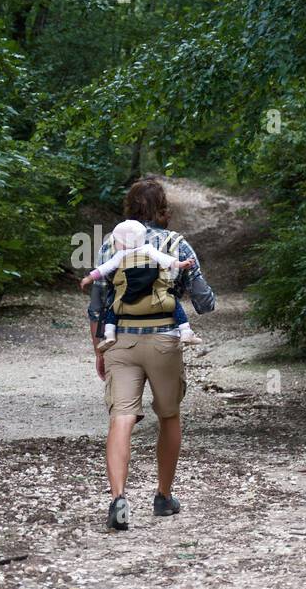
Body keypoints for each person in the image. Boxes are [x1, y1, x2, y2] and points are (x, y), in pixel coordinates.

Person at [87, 179, 215, 531]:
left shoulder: (110, 247)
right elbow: (205, 302)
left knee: (121, 418)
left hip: (120, 341)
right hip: (164, 341)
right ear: (163, 208)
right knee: (169, 415)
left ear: (129, 208)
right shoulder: (177, 244)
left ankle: (118, 498)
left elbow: (96, 306)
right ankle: (163, 496)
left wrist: (99, 349)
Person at [79, 218, 200, 347]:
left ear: (123, 243)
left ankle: (109, 333)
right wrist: (181, 264)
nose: (114, 244)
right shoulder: (149, 249)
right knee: (174, 303)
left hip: (126, 295)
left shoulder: (120, 255)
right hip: (154, 294)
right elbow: (166, 260)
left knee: (112, 304)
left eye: (116, 241)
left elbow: (104, 269)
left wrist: (89, 278)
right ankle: (185, 330)